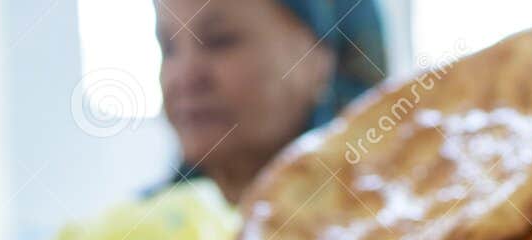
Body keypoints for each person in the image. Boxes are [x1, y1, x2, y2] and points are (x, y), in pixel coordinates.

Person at [156, 0, 387, 204]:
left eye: (220, 40)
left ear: (316, 58)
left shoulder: (386, 232)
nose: (184, 76)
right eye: (168, 48)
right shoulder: (137, 235)